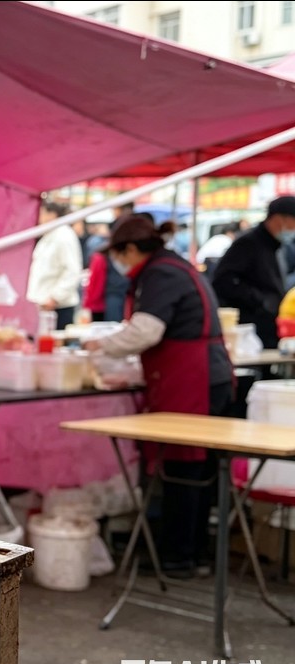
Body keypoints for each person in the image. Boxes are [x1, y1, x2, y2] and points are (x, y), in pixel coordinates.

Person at [84, 217, 233, 576]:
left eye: (119, 255)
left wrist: (98, 346)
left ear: (130, 250)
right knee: (197, 467)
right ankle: (193, 555)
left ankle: (178, 557)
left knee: (184, 466)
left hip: (193, 379)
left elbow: (146, 331)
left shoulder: (161, 273)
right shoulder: (172, 265)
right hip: (204, 374)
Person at [212, 195, 295, 349]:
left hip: (270, 325)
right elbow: (223, 280)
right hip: (250, 329)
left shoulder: (276, 246)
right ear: (279, 219)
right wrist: (259, 300)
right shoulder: (248, 244)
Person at [27, 200, 83, 329]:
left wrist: (55, 297)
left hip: (57, 307)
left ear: (52, 215)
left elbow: (72, 271)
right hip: (43, 304)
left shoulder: (64, 236)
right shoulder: (49, 235)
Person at [81, 250, 129, 323]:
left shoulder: (100, 257)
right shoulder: (103, 257)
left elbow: (95, 285)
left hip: (106, 302)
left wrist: (88, 305)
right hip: (111, 300)